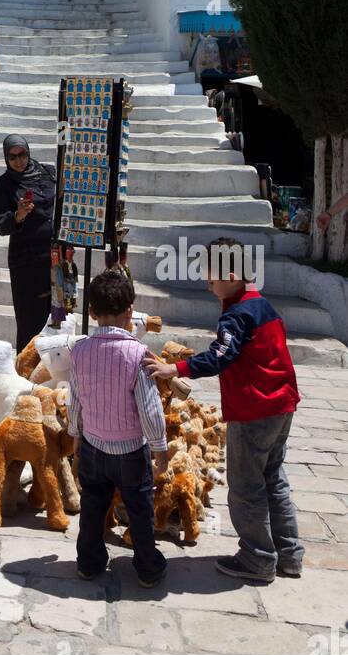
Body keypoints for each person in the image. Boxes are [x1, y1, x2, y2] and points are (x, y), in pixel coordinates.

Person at [144, 236, 302, 583]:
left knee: (246, 487)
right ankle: (289, 555)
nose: (207, 282)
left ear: (231, 274)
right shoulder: (262, 305)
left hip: (254, 410)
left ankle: (258, 559)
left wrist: (176, 369)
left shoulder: (236, 315)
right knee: (273, 479)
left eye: (211, 275)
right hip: (281, 405)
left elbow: (220, 355)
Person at [68, 268, 168, 589]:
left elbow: (75, 399)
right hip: (130, 452)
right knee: (139, 509)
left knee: (93, 506)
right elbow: (150, 408)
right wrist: (160, 448)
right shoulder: (138, 355)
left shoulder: (79, 351)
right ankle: (147, 567)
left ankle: (88, 561)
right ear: (130, 312)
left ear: (92, 312)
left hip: (94, 447)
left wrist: (75, 435)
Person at [0, 135, 55, 351]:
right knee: (31, 320)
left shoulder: (48, 173)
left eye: (23, 155)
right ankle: (27, 370)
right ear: (6, 158)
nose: (19, 161)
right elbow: (1, 226)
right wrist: (18, 216)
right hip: (27, 261)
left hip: (55, 255)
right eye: (13, 157)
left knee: (58, 314)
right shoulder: (3, 185)